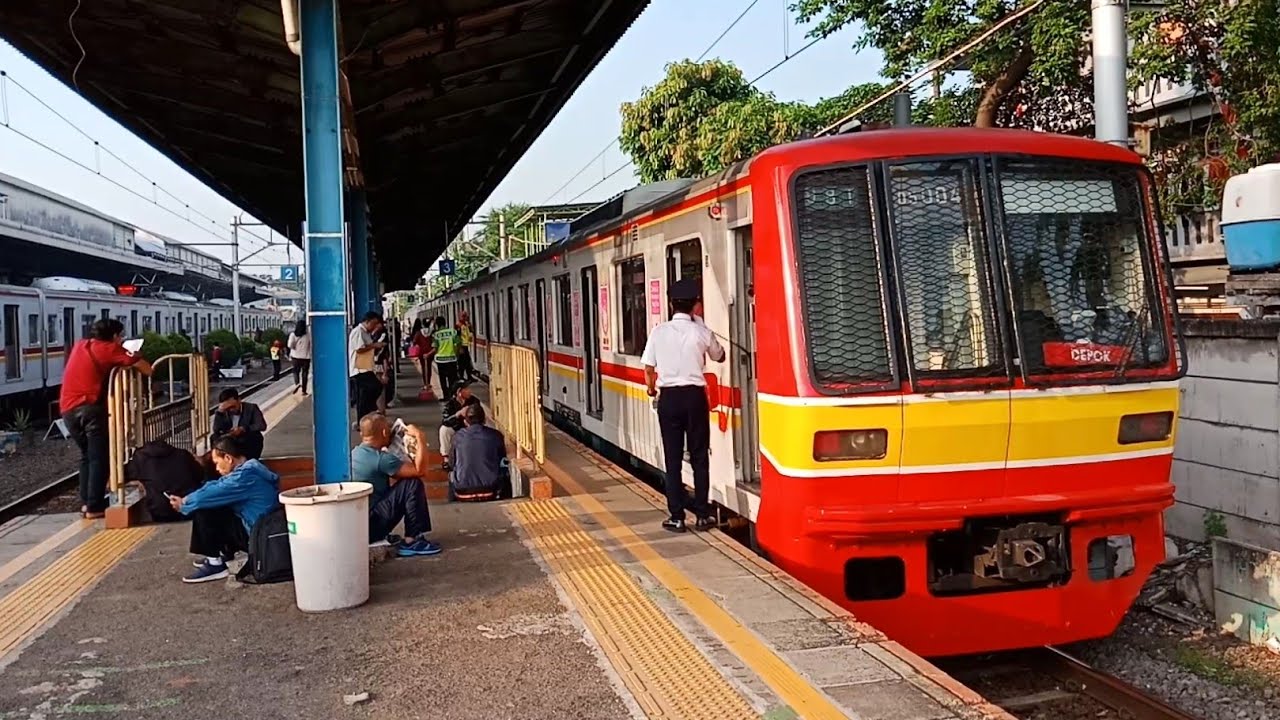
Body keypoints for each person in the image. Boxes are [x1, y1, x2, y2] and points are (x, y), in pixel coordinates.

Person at [641, 278, 726, 533]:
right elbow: (719, 355)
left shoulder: (659, 331)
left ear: (670, 303)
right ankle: (702, 515)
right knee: (700, 456)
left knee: (673, 458)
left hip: (669, 398)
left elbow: (648, 368)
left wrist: (651, 389)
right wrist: (701, 324)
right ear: (695, 306)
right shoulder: (701, 331)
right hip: (694, 397)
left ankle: (676, 517)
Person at [60, 318, 154, 519]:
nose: (121, 339)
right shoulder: (111, 349)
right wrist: (133, 354)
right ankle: (94, 506)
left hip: (67, 409)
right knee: (99, 458)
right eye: (120, 336)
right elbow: (147, 369)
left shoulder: (80, 345)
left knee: (87, 456)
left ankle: (87, 503)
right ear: (114, 336)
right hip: (90, 409)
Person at [170, 435, 280, 583]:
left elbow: (209, 495)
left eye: (217, 462)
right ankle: (223, 555)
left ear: (228, 458)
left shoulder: (244, 477)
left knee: (204, 508)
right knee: (216, 502)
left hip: (257, 535)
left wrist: (184, 504)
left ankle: (215, 564)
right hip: (261, 528)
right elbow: (216, 486)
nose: (216, 468)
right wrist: (187, 499)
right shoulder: (250, 470)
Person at [350, 413, 441, 556]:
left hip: (358, 526)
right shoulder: (380, 459)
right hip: (371, 527)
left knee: (405, 484)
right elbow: (420, 471)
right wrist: (420, 437)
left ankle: (389, 536)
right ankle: (413, 539)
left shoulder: (356, 453)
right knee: (412, 484)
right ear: (385, 432)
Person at [449, 404, 510, 501]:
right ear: (484, 419)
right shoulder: (496, 435)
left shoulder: (457, 437)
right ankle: (506, 497)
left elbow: (451, 464)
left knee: (451, 474)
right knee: (504, 466)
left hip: (462, 491)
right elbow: (503, 460)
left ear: (466, 421)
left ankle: (452, 502)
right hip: (490, 490)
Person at [210, 387, 267, 460]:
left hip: (245, 438)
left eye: (233, 407)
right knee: (214, 437)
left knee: (255, 437)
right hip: (230, 439)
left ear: (239, 400)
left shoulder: (251, 408)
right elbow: (216, 430)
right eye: (228, 408)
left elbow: (261, 425)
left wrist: (243, 429)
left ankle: (249, 460)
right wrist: (219, 413)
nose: (231, 410)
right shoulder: (223, 412)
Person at [348, 312, 385, 422]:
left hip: (365, 367)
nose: (374, 327)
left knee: (366, 394)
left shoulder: (365, 333)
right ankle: (364, 417)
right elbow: (359, 348)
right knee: (374, 387)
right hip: (359, 368)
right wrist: (375, 345)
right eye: (373, 324)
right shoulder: (358, 331)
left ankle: (365, 416)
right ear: (367, 321)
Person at [439, 381, 481, 469]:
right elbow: (445, 420)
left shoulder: (474, 401)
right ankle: (446, 459)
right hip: (457, 428)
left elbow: (479, 416)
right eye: (467, 389)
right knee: (444, 430)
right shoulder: (450, 404)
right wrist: (457, 414)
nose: (470, 391)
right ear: (459, 392)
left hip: (470, 428)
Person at [431, 316, 460, 399]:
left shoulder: (436, 335)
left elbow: (435, 347)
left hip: (441, 360)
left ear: (437, 324)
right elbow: (458, 343)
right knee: (452, 378)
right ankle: (452, 395)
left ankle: (446, 395)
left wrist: (428, 354)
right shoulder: (453, 332)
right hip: (451, 359)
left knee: (442, 379)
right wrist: (456, 354)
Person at [287, 320, 311, 395]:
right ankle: (304, 390)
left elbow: (289, 345)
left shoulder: (293, 335)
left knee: (295, 371)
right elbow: (311, 344)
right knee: (305, 373)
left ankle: (297, 383)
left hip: (295, 356)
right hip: (306, 357)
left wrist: (294, 347)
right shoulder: (308, 335)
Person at [410, 320, 434, 391]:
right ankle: (428, 383)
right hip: (430, 353)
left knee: (424, 368)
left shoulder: (419, 332)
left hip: (421, 353)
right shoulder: (432, 332)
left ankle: (425, 384)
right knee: (429, 368)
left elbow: (414, 342)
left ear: (423, 324)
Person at [456, 311, 475, 382]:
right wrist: (459, 347)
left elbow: (471, 332)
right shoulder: (458, 325)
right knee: (461, 363)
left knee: (467, 362)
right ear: (460, 317)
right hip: (462, 346)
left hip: (466, 345)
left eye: (466, 316)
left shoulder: (466, 324)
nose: (465, 318)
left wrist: (470, 325)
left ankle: (469, 376)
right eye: (463, 316)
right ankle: (461, 377)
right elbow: (457, 337)